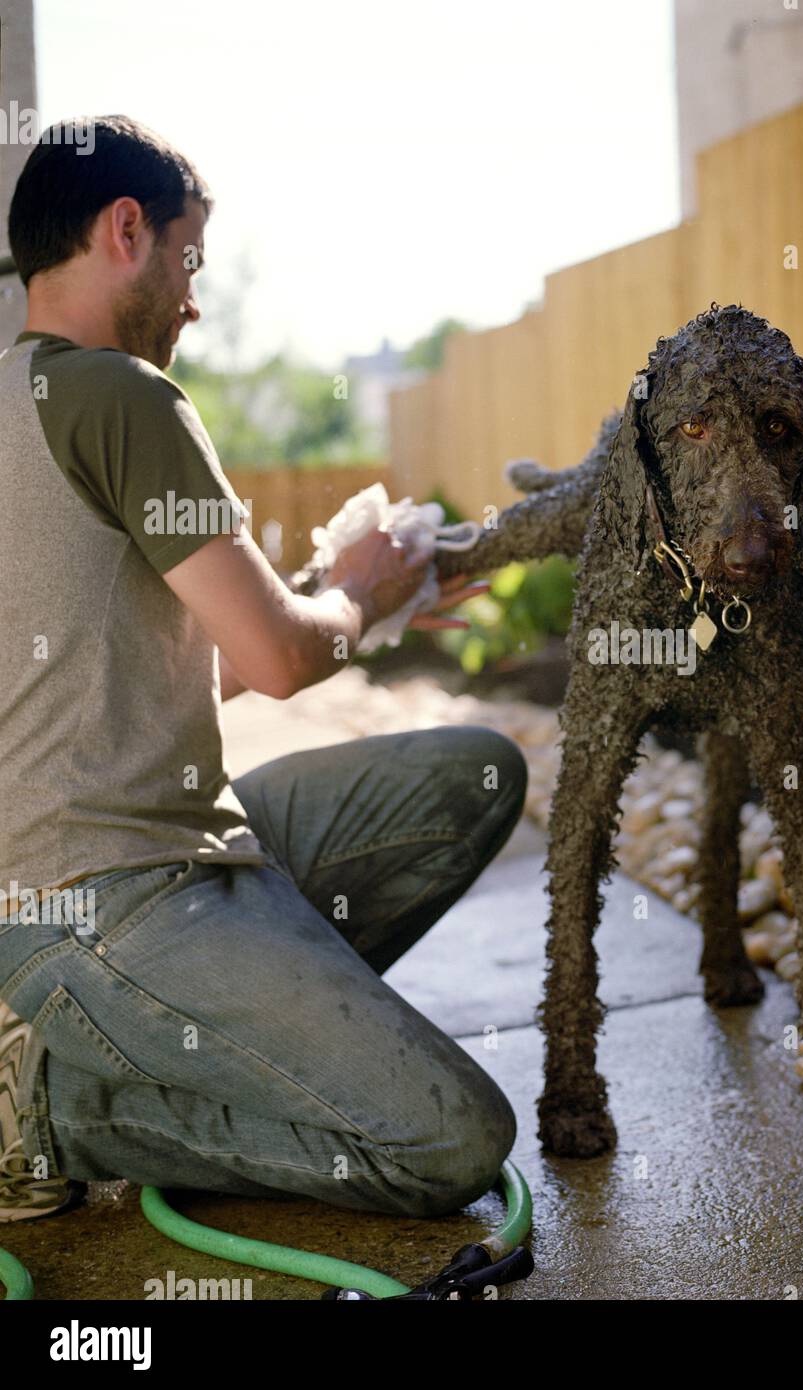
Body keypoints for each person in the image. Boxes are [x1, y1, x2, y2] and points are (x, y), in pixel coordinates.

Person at [0, 116, 523, 1224]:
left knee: (469, 775)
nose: (194, 298)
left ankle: (208, 1038)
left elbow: (193, 665)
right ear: (128, 229)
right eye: (191, 260)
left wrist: (367, 597)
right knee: (451, 1141)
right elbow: (283, 656)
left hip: (114, 874)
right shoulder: (121, 395)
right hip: (111, 900)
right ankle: (47, 1109)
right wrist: (361, 595)